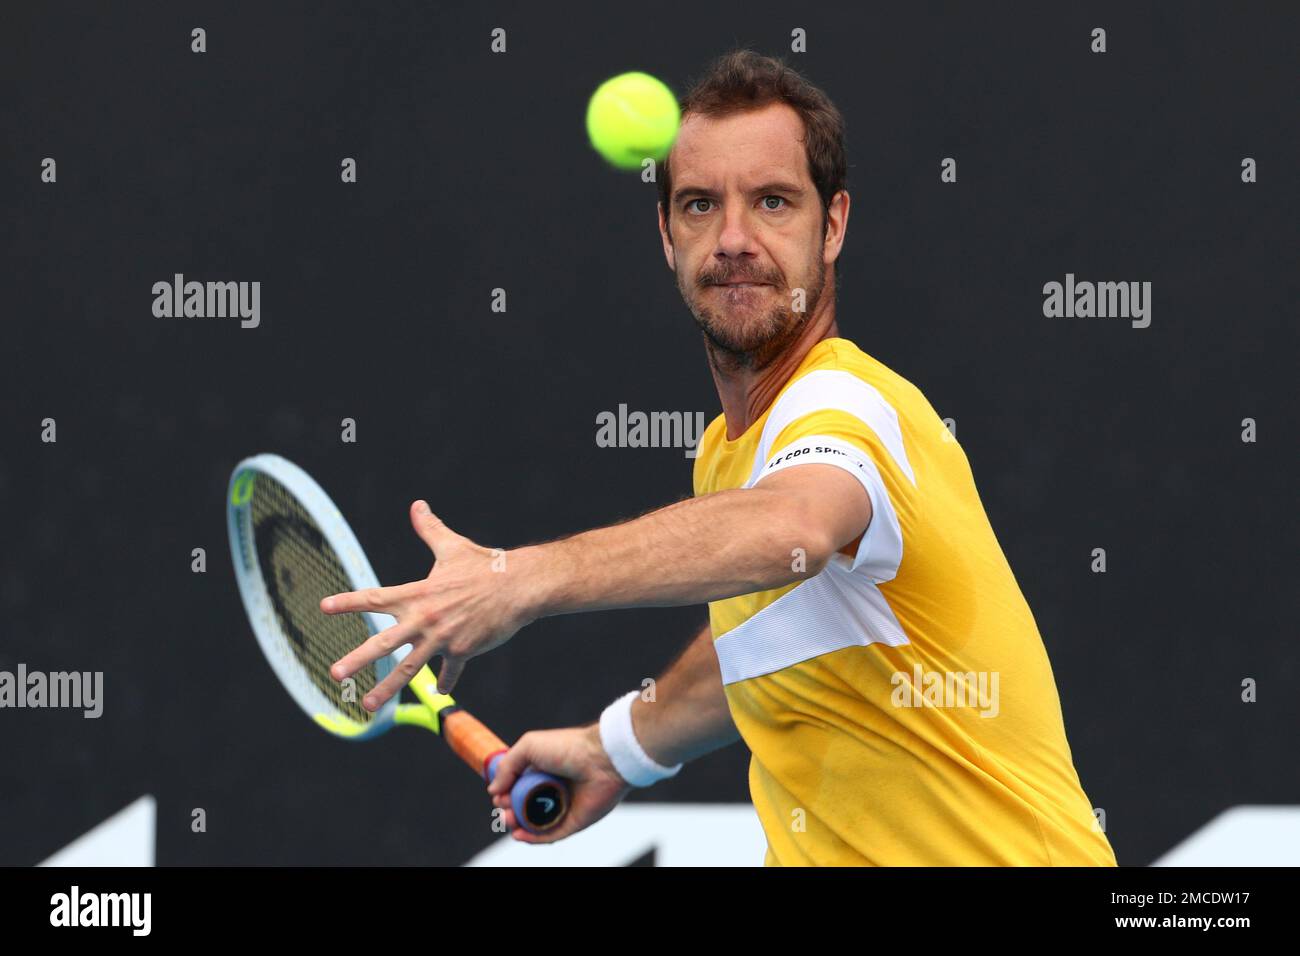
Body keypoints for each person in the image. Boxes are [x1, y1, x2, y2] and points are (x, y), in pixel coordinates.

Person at [322, 49, 1117, 866]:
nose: (734, 239)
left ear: (833, 224)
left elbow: (791, 526)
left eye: (774, 202)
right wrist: (618, 746)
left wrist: (519, 578)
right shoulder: (727, 457)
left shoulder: (845, 406)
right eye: (701, 205)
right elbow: (769, 630)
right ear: (667, 235)